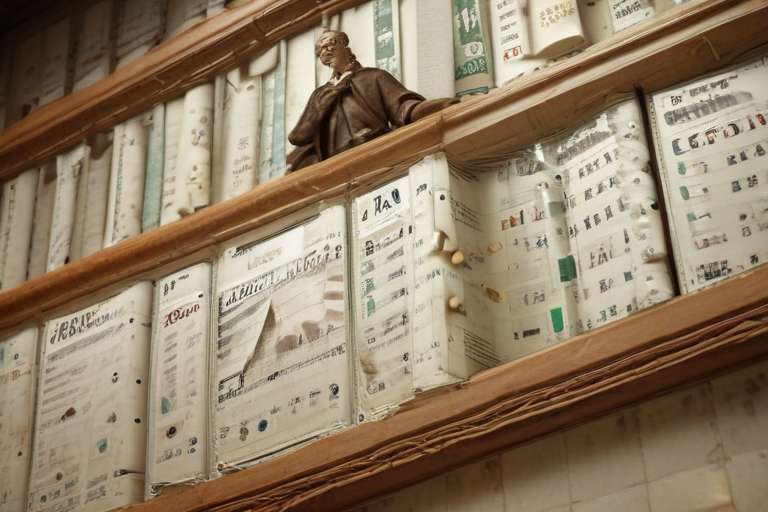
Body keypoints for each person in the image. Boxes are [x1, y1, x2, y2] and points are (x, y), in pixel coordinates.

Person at [287, 30, 456, 171]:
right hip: (334, 168)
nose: (327, 49)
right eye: (322, 48)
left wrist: (444, 105)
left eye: (333, 43)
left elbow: (404, 109)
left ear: (346, 48)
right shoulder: (320, 94)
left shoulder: (375, 77)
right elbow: (298, 136)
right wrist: (331, 95)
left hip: (375, 156)